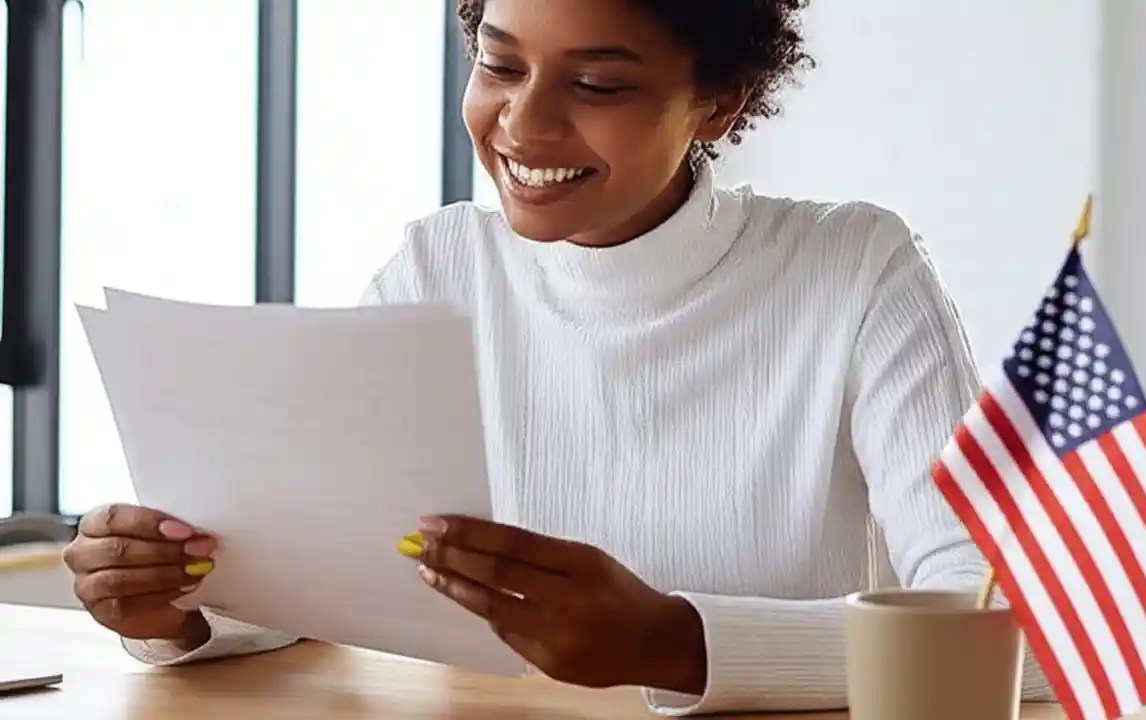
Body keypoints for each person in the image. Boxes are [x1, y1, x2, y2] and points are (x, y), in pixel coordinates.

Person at [60, 0, 1052, 714]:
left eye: (597, 84)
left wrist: (674, 640)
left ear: (715, 103)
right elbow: (325, 580)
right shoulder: (436, 262)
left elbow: (1008, 635)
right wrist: (173, 607)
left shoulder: (851, 267)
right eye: (500, 65)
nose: (524, 124)